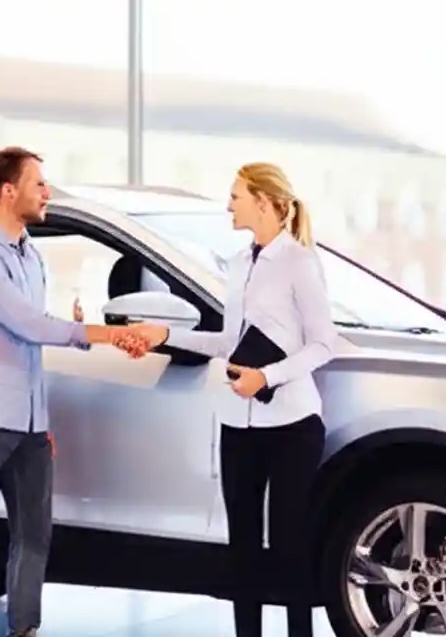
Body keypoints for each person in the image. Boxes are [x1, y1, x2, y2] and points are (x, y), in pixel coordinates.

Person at [0, 146, 145, 637]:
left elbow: (33, 337)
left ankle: (25, 629)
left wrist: (75, 338)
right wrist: (103, 334)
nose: (46, 192)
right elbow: (28, 324)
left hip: (30, 423)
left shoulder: (31, 255)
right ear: (8, 192)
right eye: (38, 184)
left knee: (34, 536)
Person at [128, 162, 337, 637]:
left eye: (236, 196)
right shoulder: (239, 264)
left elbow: (324, 344)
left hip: (291, 426)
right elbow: (227, 342)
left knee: (288, 546)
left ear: (263, 202)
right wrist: (166, 334)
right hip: (237, 425)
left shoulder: (300, 262)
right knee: (241, 547)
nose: (228, 205)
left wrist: (265, 377)